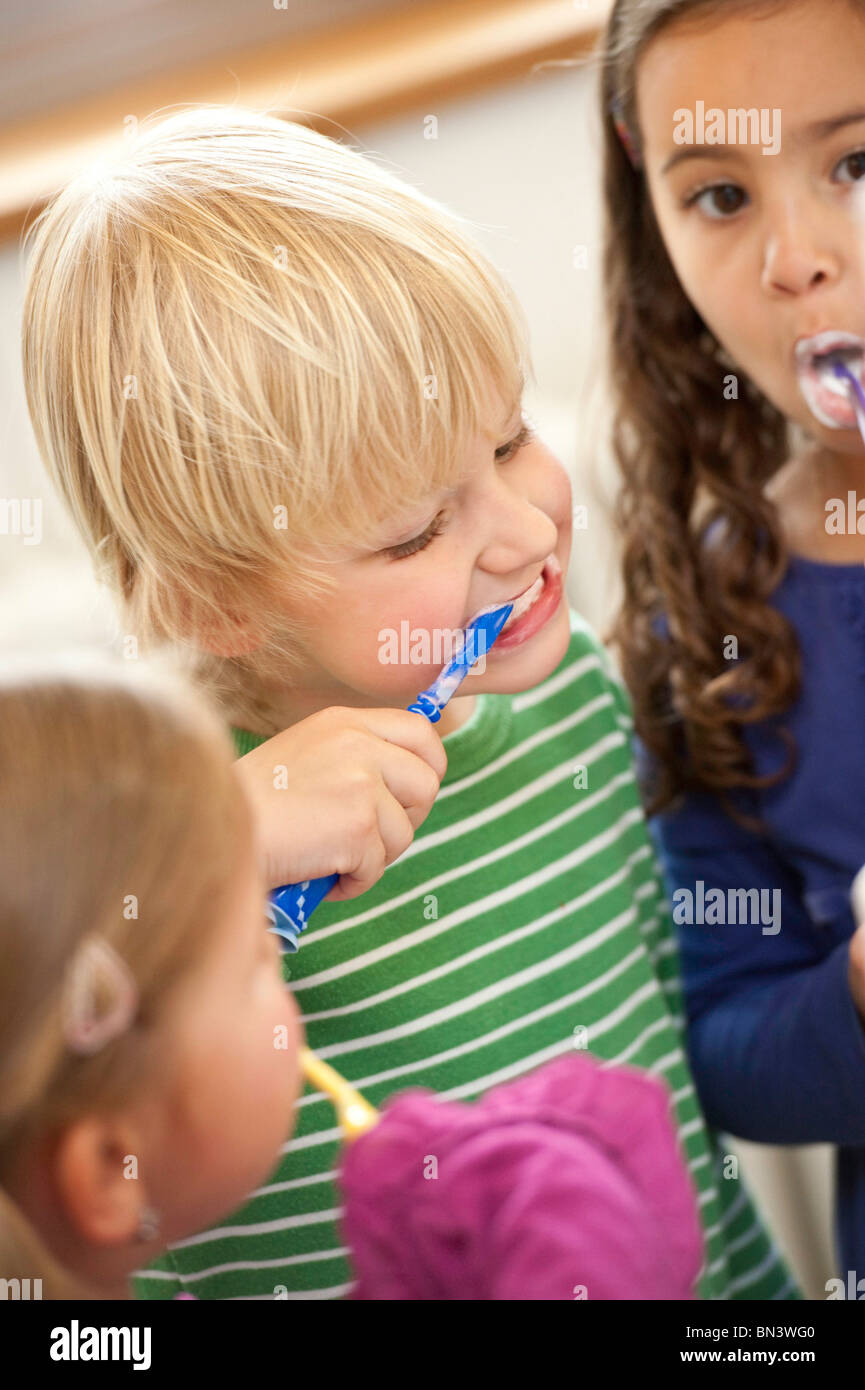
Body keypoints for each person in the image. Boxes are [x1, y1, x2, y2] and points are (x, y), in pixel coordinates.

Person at [20, 104, 797, 1299]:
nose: (530, 529)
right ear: (217, 604)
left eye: (508, 439)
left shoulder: (578, 692)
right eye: (420, 530)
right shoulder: (150, 810)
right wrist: (216, 848)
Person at [601, 0, 865, 1278]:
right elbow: (732, 1048)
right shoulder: (703, 631)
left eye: (857, 164)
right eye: (718, 197)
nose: (796, 258)